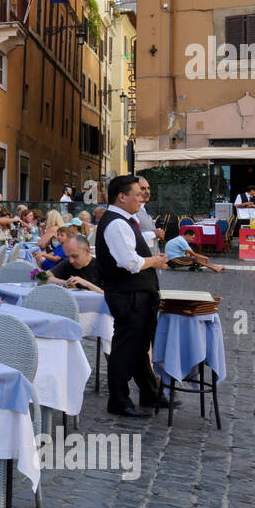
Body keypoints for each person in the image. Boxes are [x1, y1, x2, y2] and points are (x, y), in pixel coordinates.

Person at [95, 174, 169, 417]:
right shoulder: (116, 223)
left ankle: (150, 392)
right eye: (137, 194)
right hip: (128, 295)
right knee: (126, 348)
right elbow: (128, 261)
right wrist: (154, 261)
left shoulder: (124, 221)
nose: (141, 198)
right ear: (122, 196)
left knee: (137, 346)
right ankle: (118, 399)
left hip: (136, 293)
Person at [136, 177, 164, 251]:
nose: (147, 191)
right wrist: (154, 234)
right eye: (143, 188)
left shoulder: (143, 208)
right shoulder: (132, 211)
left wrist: (157, 234)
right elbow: (132, 238)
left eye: (148, 188)